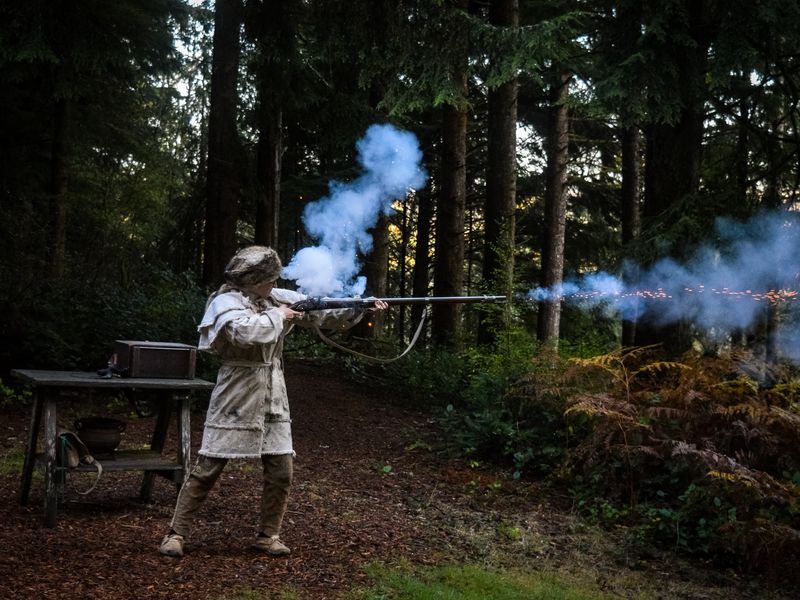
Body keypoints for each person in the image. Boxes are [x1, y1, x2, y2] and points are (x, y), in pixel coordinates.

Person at [159, 245, 386, 557]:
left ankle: (268, 536)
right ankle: (176, 534)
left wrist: (358, 307)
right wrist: (277, 316)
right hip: (236, 390)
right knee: (209, 466)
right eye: (269, 279)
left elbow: (322, 312)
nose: (275, 285)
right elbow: (245, 332)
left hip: (273, 391)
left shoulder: (275, 297)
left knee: (281, 470)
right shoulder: (226, 302)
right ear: (252, 280)